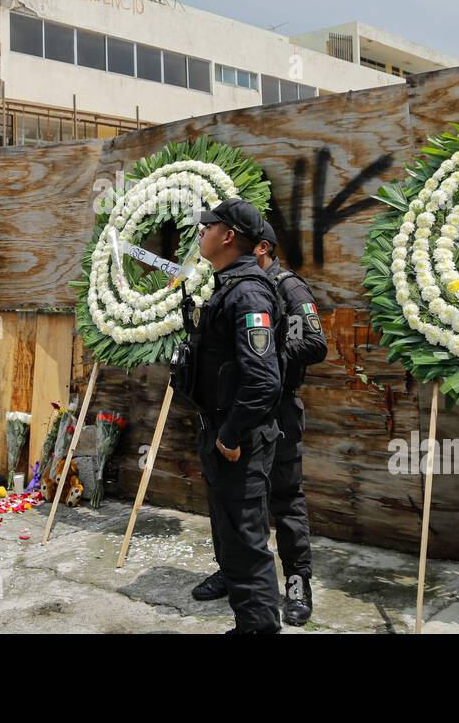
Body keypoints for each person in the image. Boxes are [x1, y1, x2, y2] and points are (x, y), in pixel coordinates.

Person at [193, 220, 327, 624]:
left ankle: (297, 580)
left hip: (277, 408)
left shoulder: (287, 287)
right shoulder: (233, 287)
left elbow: (315, 343)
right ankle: (234, 574)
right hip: (243, 408)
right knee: (234, 506)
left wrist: (274, 343)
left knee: (284, 496)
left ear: (262, 248)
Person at [172, 197, 284, 634]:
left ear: (229, 236)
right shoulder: (229, 286)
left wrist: (231, 435)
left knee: (246, 542)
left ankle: (259, 627)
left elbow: (263, 381)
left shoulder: (248, 292)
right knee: (232, 538)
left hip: (239, 440)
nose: (200, 233)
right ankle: (249, 624)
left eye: (207, 227)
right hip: (219, 432)